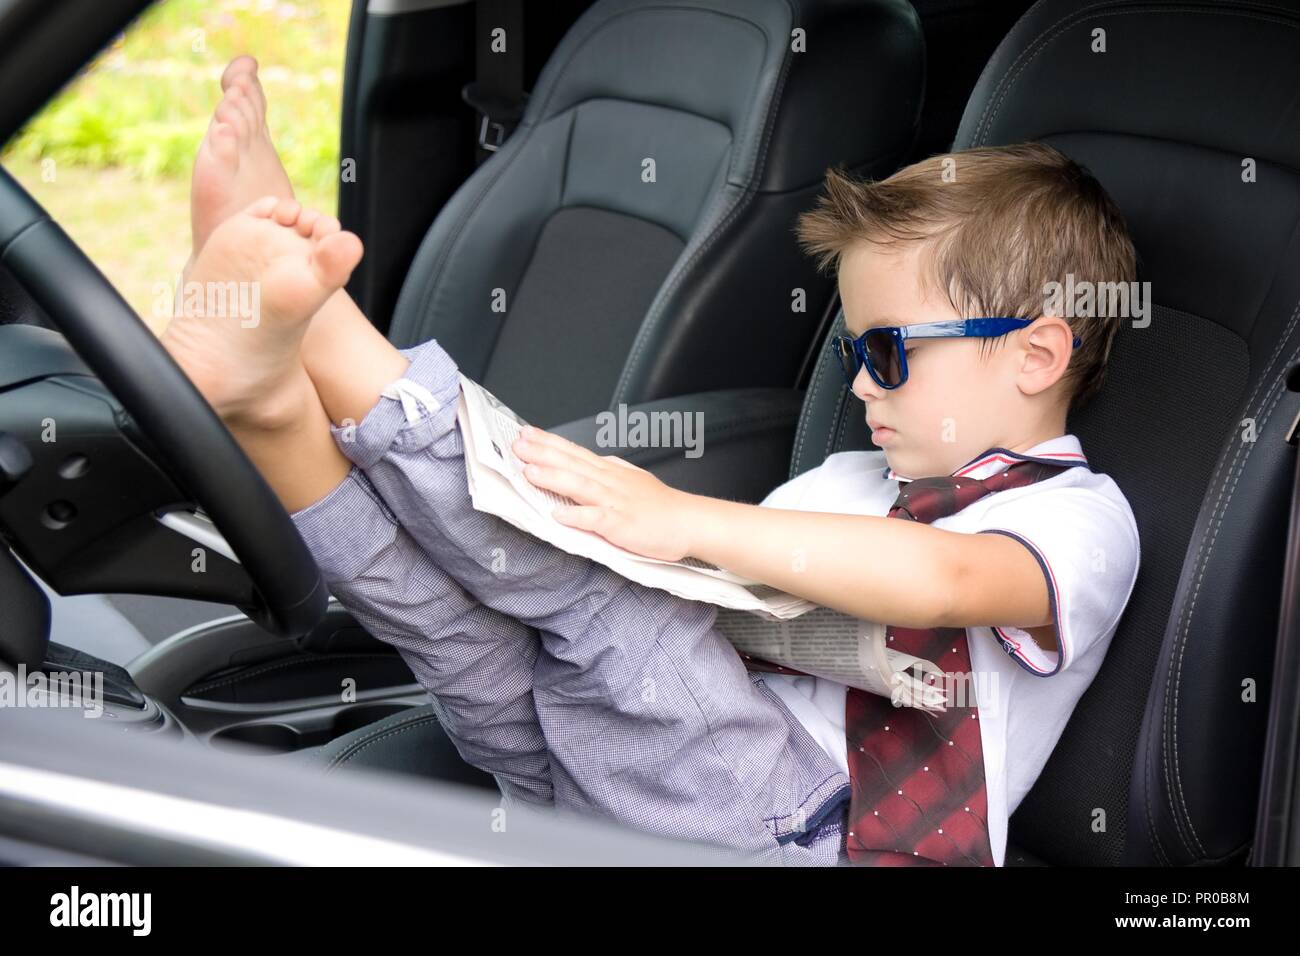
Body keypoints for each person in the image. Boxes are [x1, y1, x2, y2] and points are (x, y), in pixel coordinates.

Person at [161, 56, 1141, 866]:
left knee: (604, 592)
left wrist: (677, 519)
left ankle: (327, 333)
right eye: (849, 352)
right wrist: (667, 547)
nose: (858, 387)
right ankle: (273, 417)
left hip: (817, 835)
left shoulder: (1078, 519)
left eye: (886, 352)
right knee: (467, 636)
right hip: (636, 795)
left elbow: (946, 578)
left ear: (1036, 353)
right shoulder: (845, 487)